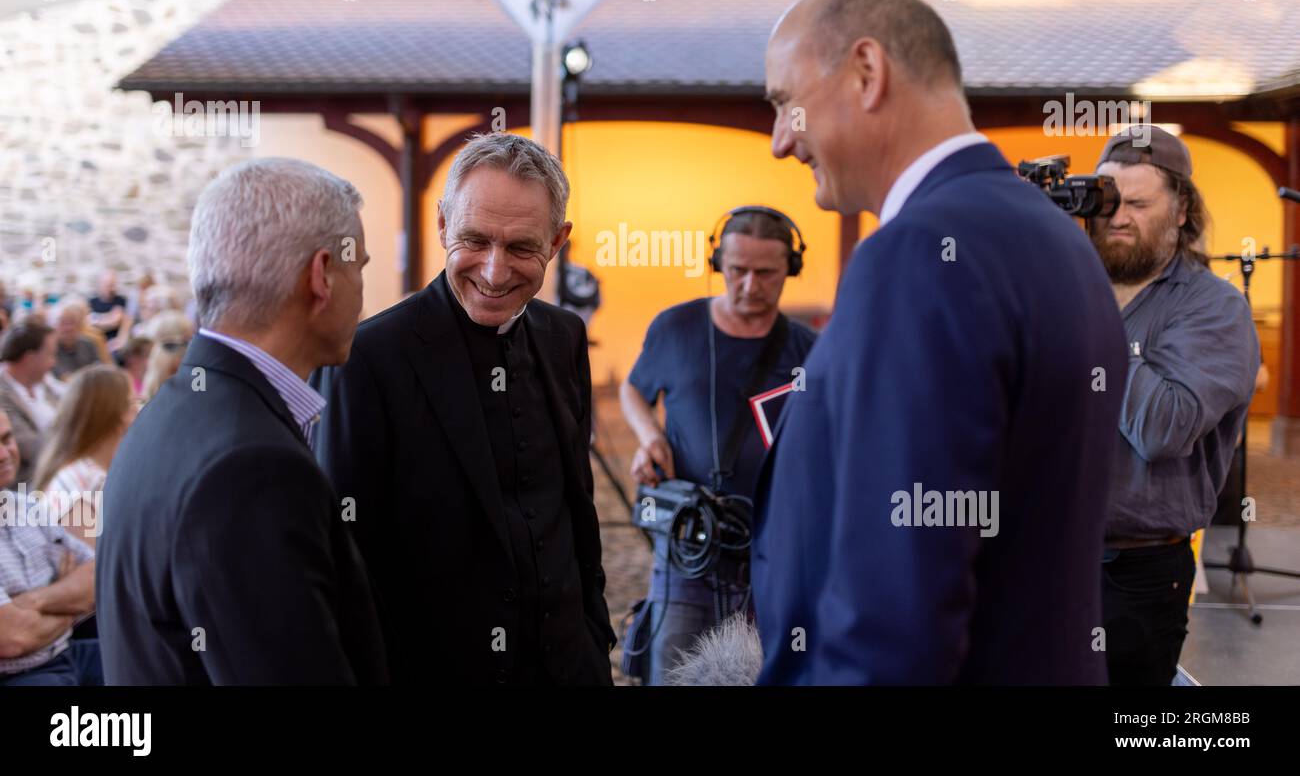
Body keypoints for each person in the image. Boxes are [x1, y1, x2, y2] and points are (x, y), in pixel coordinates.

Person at [753, 0, 1129, 684]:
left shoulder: (915, 256)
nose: (779, 141)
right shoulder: (1055, 236)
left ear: (867, 71)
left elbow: (893, 624)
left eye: (784, 104)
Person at [313, 132, 616, 686]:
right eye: (474, 240)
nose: (495, 272)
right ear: (443, 225)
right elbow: (345, 556)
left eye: (522, 248)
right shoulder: (368, 359)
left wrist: (595, 635)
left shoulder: (564, 336)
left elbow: (576, 508)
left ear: (558, 241)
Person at [95, 158, 387, 684]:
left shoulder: (174, 408)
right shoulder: (251, 467)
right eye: (359, 266)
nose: (363, 292)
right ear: (322, 275)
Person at [1087, 126, 1259, 685]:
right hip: (1041, 552)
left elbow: (1162, 427)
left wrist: (1085, 317)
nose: (1118, 217)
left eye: (1138, 203)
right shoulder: (1062, 287)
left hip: (1135, 574)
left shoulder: (1215, 309)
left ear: (1182, 210)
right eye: (1108, 201)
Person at [620, 206, 817, 684]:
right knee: (672, 672)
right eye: (737, 271)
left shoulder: (809, 349)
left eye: (765, 273)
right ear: (717, 264)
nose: (750, 285)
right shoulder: (674, 328)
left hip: (771, 554)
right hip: (688, 543)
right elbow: (633, 391)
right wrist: (648, 438)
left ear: (789, 268)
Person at [0, 410, 100, 686]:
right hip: (21, 674)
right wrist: (68, 597)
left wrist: (33, 601)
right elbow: (13, 639)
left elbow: (95, 577)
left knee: (153, 653)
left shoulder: (27, 506)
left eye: (7, 439)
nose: (3, 454)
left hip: (69, 652)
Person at [32, 365, 136, 551]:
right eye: (132, 403)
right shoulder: (76, 489)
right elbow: (95, 571)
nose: (138, 410)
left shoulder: (99, 471)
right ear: (119, 416)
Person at [0, 320, 64, 483]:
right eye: (50, 354)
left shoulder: (44, 382)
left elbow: (76, 407)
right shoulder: (3, 394)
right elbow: (33, 449)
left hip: (60, 469)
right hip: (30, 483)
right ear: (30, 358)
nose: (54, 362)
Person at [52, 297, 103, 380]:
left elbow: (99, 371)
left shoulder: (89, 343)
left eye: (72, 322)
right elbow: (64, 377)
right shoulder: (51, 349)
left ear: (80, 326)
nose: (69, 328)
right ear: (55, 326)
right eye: (63, 323)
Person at [88, 271, 128, 345]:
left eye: (112, 284)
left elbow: (117, 321)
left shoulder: (121, 301)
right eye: (107, 284)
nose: (109, 288)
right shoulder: (91, 302)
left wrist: (96, 320)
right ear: (100, 284)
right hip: (94, 340)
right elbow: (87, 324)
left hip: (114, 341)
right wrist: (110, 317)